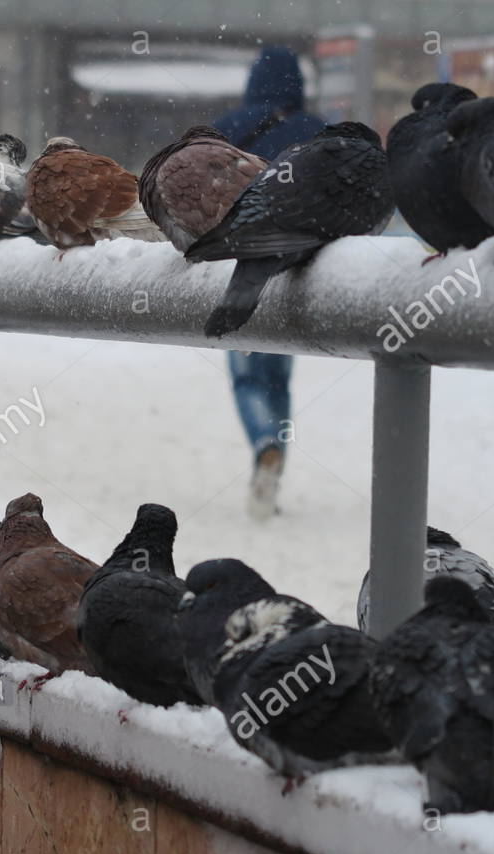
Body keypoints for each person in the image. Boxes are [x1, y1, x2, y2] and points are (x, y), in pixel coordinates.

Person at [212, 46, 326, 521]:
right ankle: (273, 466)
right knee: (279, 375)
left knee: (247, 373)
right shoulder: (319, 132)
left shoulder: (226, 131)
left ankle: (264, 446)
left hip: (242, 264)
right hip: (298, 264)